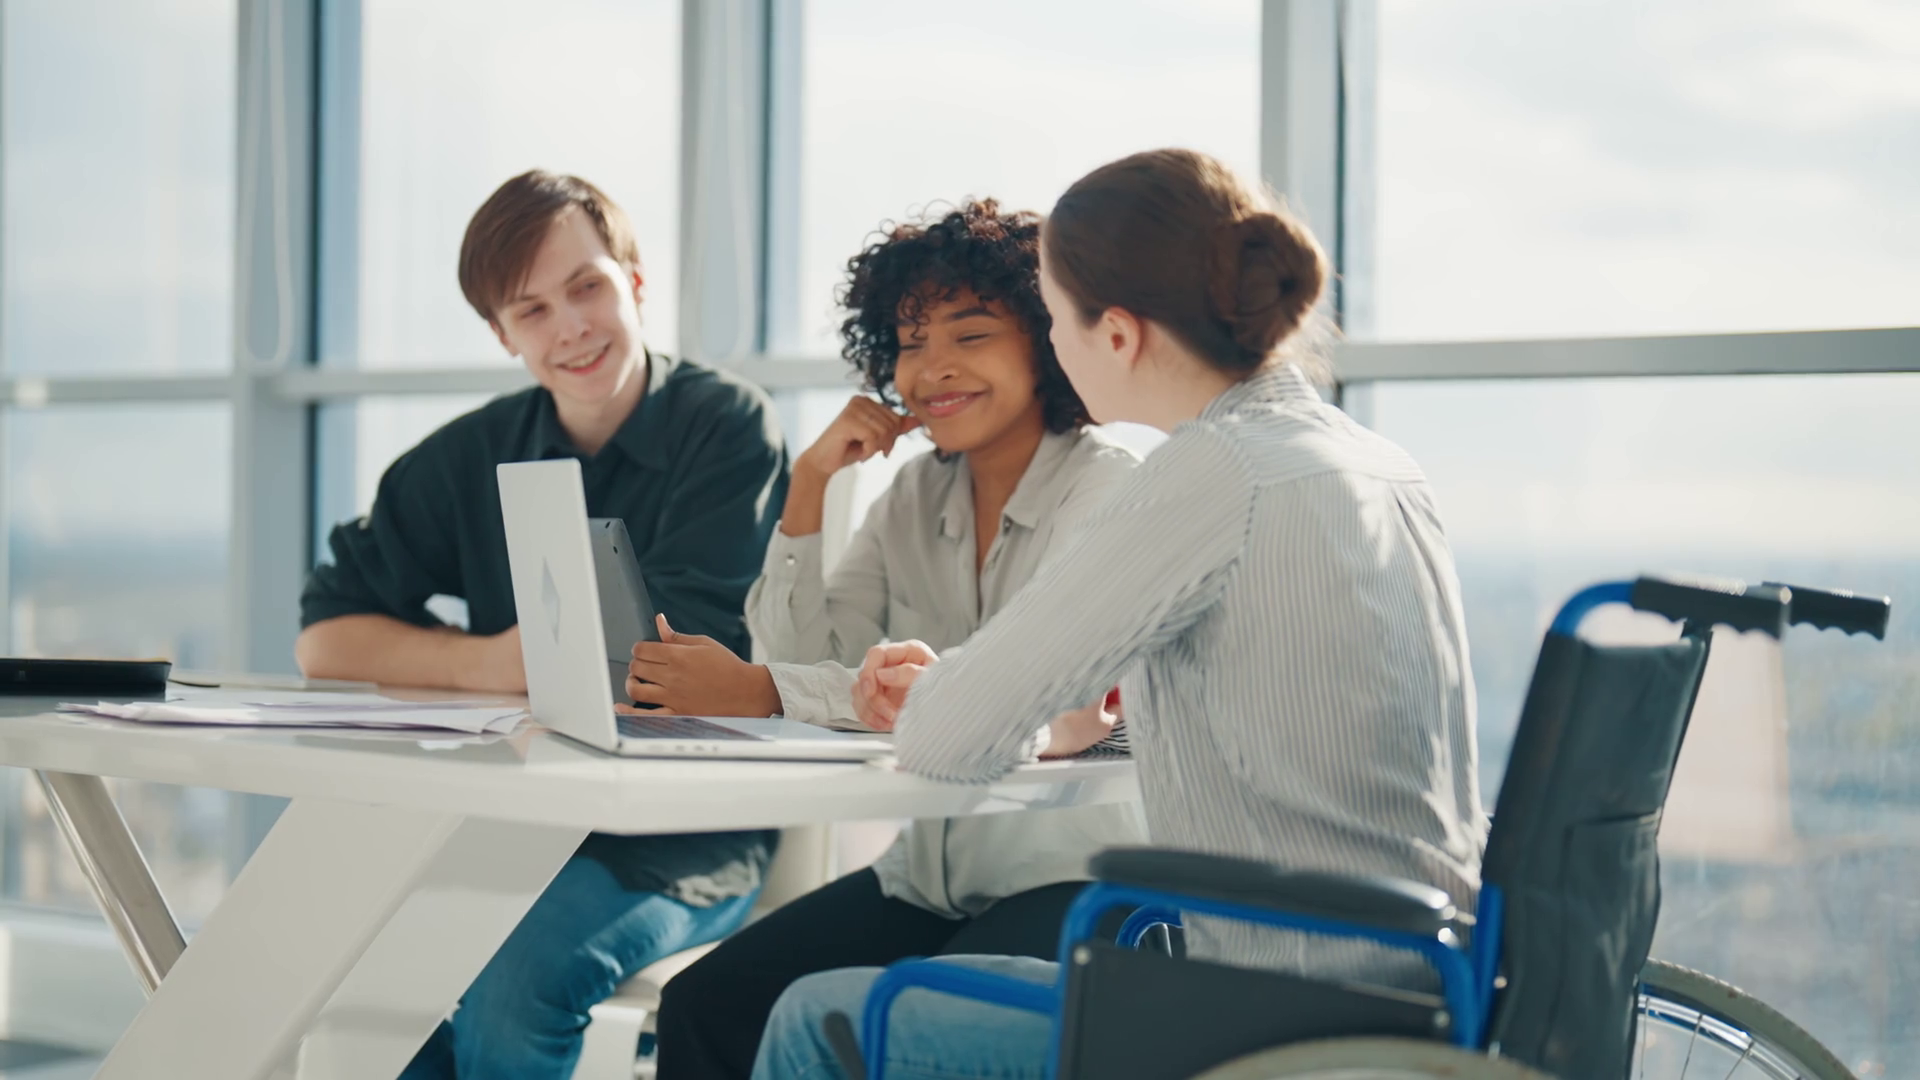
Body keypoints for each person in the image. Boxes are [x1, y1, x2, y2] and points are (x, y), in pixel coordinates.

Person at [748, 149, 1488, 1080]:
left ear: (1119, 334)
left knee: (821, 1016)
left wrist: (935, 688)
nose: (1055, 345)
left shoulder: (1207, 476)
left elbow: (950, 740)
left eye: (1054, 319)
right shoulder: (1379, 464)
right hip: (1435, 982)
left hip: (1274, 1010)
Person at [294, 170, 789, 1080]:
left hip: (677, 833)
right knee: (354, 978)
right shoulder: (470, 454)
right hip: (515, 821)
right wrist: (490, 661)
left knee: (513, 986)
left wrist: (519, 663)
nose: (570, 328)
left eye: (588, 287)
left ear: (636, 282)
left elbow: (650, 668)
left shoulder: (728, 429)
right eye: (531, 309)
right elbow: (326, 638)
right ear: (501, 334)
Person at [643, 200, 1146, 1079]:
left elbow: (1021, 691)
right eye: (911, 343)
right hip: (929, 877)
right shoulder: (915, 494)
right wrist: (808, 487)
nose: (932, 369)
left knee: (904, 1028)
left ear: (1044, 343)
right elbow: (801, 661)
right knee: (707, 1004)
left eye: (971, 334)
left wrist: (763, 691)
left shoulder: (1108, 491)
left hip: (1075, 879)